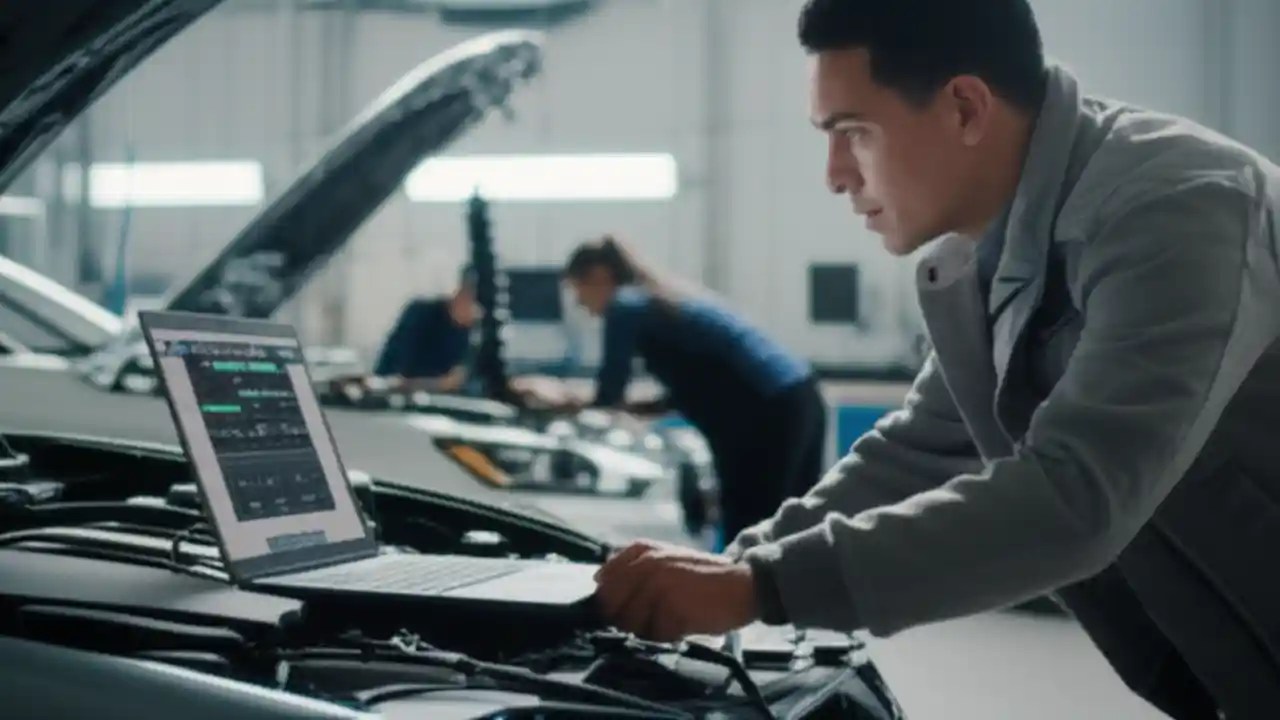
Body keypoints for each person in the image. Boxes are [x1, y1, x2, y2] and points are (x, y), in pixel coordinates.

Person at [591, 1, 1280, 718]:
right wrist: (740, 561)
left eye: (853, 132)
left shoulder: (1181, 210)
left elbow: (1078, 496)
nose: (833, 175)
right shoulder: (982, 256)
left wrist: (762, 587)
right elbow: (920, 451)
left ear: (964, 108)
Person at [525, 235, 829, 544]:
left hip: (765, 413)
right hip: (800, 396)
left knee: (753, 529)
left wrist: (555, 396)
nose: (581, 305)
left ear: (599, 277)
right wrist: (632, 407)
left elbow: (608, 393)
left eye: (579, 292)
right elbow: (697, 386)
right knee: (795, 528)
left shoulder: (625, 305)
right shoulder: (665, 299)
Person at [372, 268, 477, 393]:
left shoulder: (473, 334)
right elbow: (390, 380)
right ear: (462, 294)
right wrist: (442, 384)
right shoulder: (420, 315)